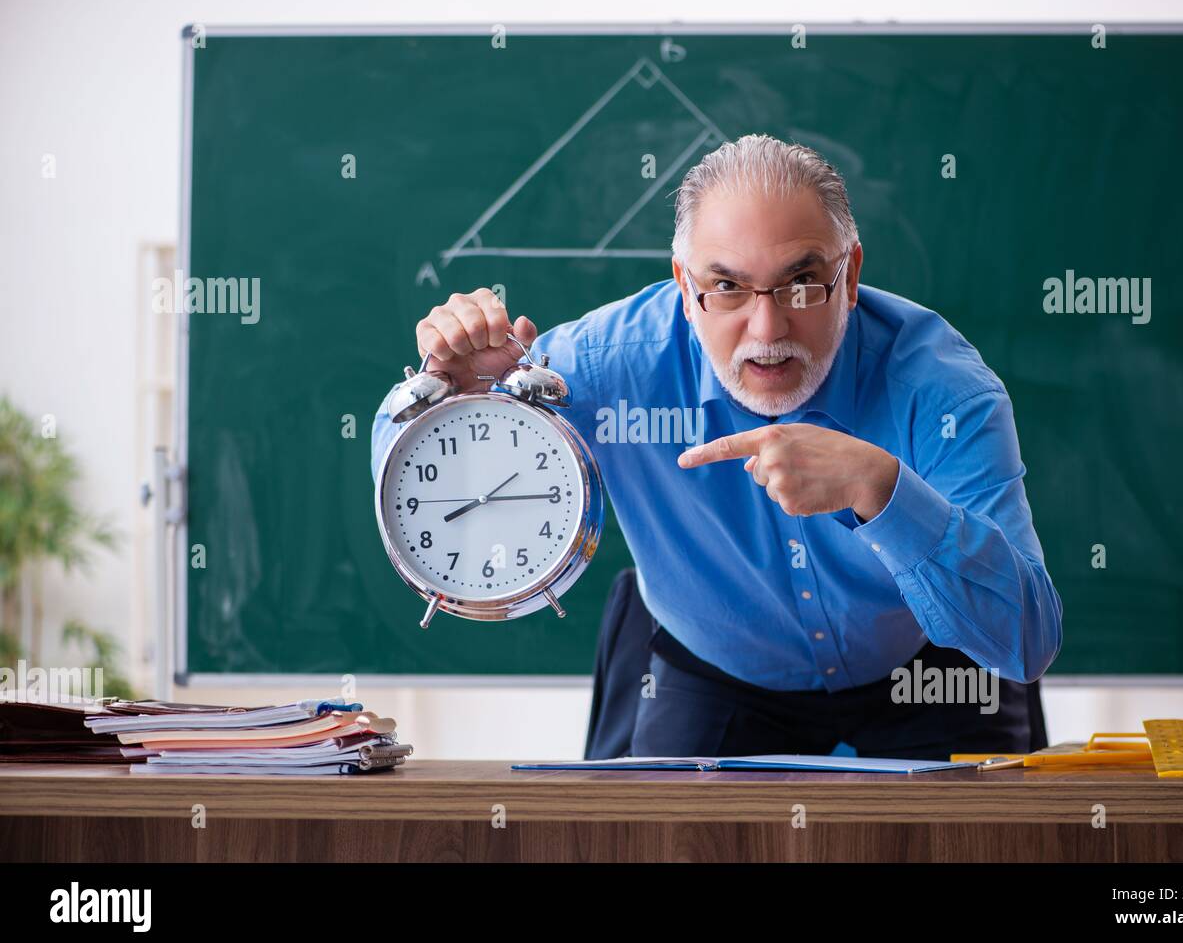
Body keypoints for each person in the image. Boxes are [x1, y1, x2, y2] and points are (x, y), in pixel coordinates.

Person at [371, 134, 1062, 759]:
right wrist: (446, 401)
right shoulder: (605, 365)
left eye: (801, 281)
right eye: (726, 286)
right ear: (684, 283)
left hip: (925, 665)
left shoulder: (944, 390)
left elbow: (1028, 637)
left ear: (850, 275)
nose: (766, 329)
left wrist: (884, 490)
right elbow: (426, 497)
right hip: (717, 675)